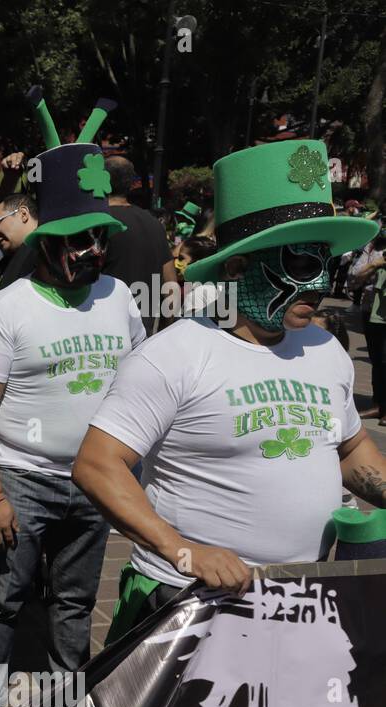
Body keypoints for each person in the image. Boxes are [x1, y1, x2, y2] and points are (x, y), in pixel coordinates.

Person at [74, 139, 386, 643]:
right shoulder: (176, 352)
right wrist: (183, 550)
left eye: (325, 266)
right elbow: (95, 464)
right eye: (302, 268)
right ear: (239, 267)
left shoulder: (326, 349)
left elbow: (349, 448)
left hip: (301, 601)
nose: (318, 287)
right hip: (190, 603)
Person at [0, 91, 144, 707]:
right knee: (3, 600)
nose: (92, 250)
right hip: (22, 480)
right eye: (78, 238)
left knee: (73, 602)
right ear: (47, 241)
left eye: (99, 237)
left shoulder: (120, 297)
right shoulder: (10, 307)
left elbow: (137, 387)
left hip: (92, 483)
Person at [102, 156, 176, 336]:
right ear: (131, 183)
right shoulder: (154, 224)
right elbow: (171, 285)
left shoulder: (99, 223)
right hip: (145, 334)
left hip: (104, 333)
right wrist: (169, 329)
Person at [348, 226, 386, 424]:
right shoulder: (372, 248)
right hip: (371, 311)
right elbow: (353, 279)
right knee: (377, 360)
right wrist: (377, 264)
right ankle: (378, 404)